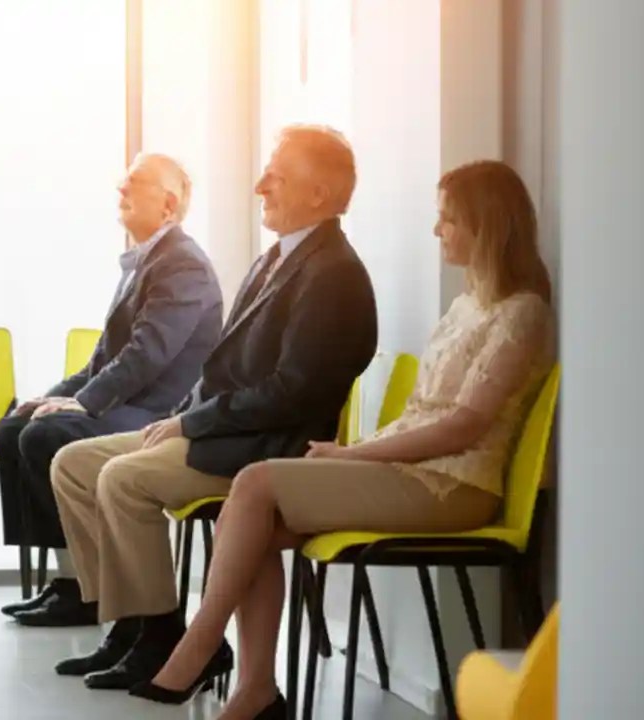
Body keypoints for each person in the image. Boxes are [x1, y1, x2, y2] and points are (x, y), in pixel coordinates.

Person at [135, 160, 556, 719]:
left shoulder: (522, 314)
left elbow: (463, 426)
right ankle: (255, 691)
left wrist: (354, 453)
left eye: (448, 220)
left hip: (456, 484)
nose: (437, 231)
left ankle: (203, 643)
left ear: (487, 226)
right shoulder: (466, 305)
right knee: (253, 516)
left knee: (256, 482)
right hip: (419, 470)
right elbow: (422, 415)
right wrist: (360, 453)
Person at [49, 125, 378, 692]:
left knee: (124, 480)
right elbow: (221, 369)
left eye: (275, 174)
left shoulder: (334, 276)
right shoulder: (276, 258)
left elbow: (289, 394)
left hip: (264, 447)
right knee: (73, 464)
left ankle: (159, 636)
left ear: (319, 195)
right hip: (219, 430)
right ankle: (132, 626)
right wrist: (177, 414)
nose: (259, 186)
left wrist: (190, 421)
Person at [0, 153, 223, 627]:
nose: (120, 190)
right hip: (129, 403)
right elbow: (102, 358)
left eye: (133, 183)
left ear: (168, 203)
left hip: (158, 413)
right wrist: (50, 396)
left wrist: (80, 403)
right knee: (15, 426)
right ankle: (70, 580)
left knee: (45, 436)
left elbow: (147, 354)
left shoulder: (183, 265)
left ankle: (89, 589)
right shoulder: (143, 262)